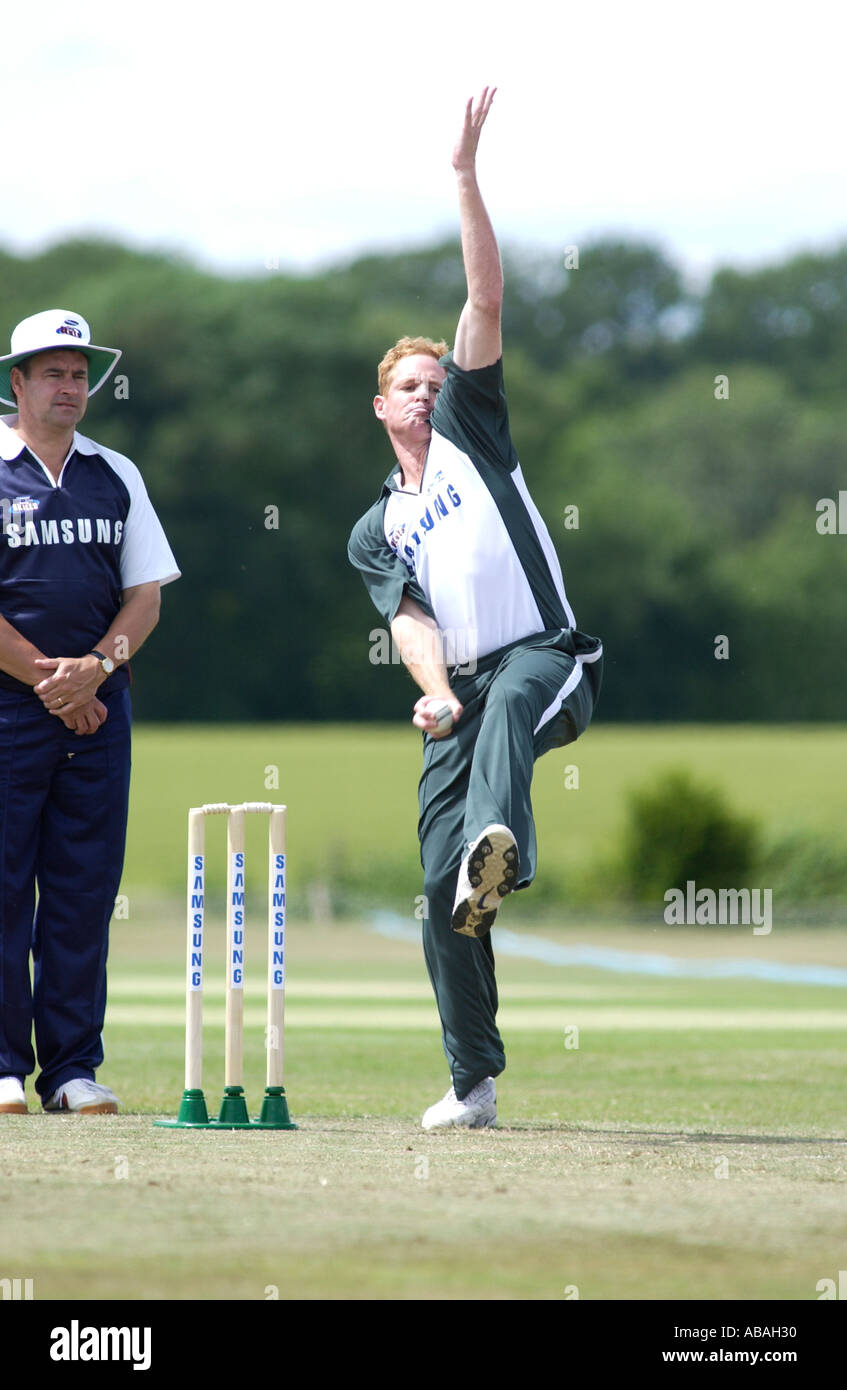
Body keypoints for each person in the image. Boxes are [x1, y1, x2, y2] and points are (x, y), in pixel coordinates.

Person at [348, 90, 603, 1130]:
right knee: (434, 886)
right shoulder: (374, 526)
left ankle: (502, 853)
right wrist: (432, 693)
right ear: (378, 405)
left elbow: (485, 298)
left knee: (504, 731)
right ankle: (472, 1079)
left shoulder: (471, 426)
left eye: (432, 377)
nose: (424, 390)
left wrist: (461, 174)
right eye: (407, 384)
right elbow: (407, 621)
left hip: (545, 655)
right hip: (459, 689)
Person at [0, 308, 179, 1115]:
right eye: (53, 374)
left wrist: (97, 671)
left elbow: (145, 595)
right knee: (4, 888)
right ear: (18, 382)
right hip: (11, 710)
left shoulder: (117, 472)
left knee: (80, 892)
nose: (69, 387)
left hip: (99, 713)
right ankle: (2, 1065)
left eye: (79, 375)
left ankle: (71, 1069)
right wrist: (54, 683)